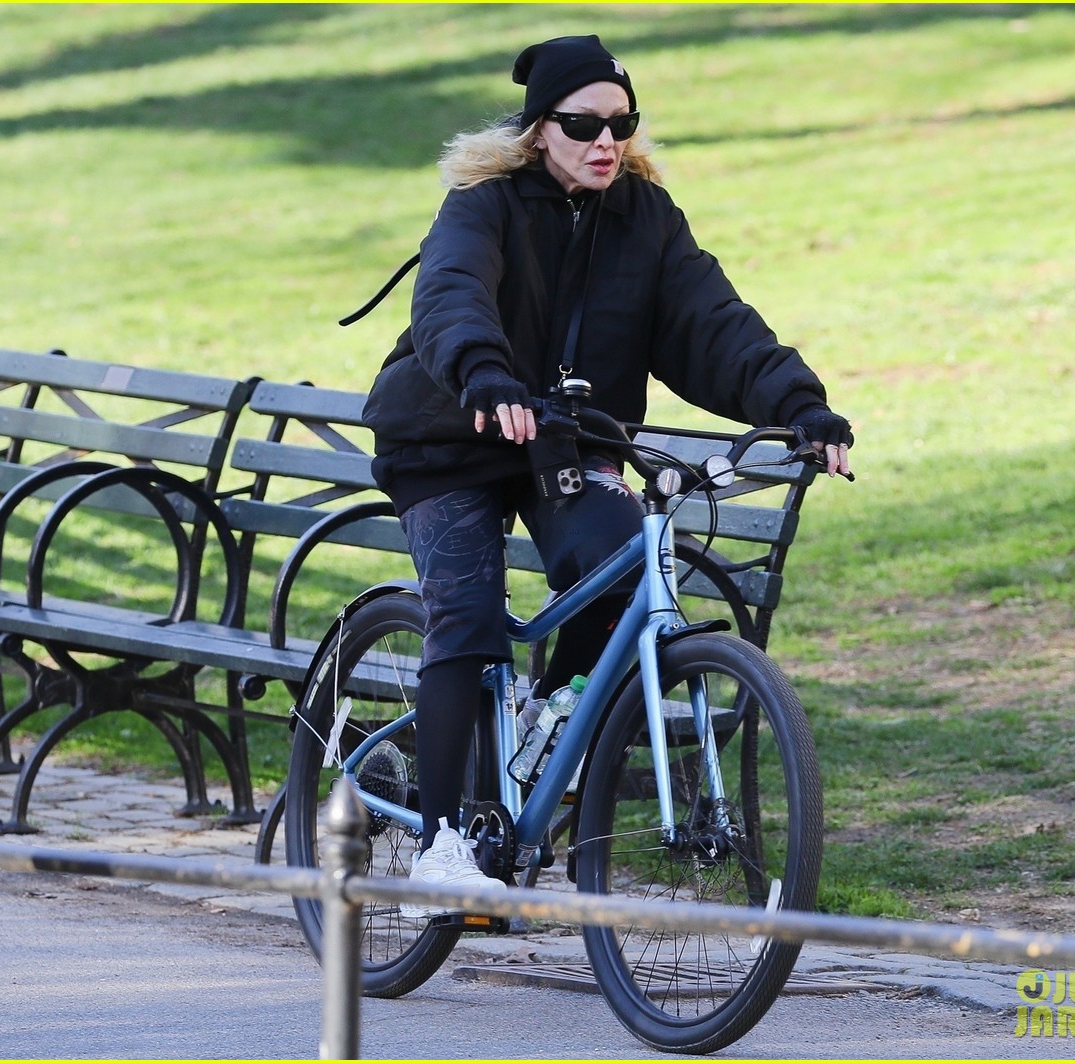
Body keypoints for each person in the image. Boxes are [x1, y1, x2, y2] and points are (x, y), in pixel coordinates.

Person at [361, 35, 852, 914]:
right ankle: (439, 848)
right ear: (539, 129)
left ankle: (542, 728)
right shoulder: (484, 204)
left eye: (622, 123)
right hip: (454, 432)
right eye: (584, 124)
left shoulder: (646, 218)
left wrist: (799, 407)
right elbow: (451, 294)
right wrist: (484, 372)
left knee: (623, 567)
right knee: (467, 619)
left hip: (567, 442)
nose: (606, 141)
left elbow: (715, 322)